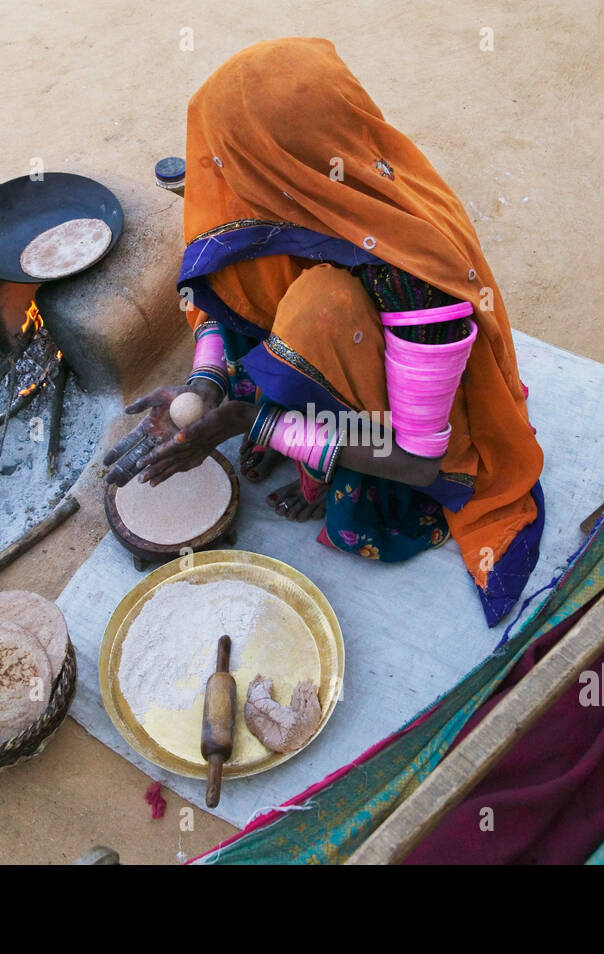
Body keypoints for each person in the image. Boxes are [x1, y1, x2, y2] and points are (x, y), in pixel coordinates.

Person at [105, 38, 544, 625]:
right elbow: (221, 296)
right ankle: (292, 409)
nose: (217, 171)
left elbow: (419, 463)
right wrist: (207, 383)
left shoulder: (419, 286)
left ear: (276, 162)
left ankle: (326, 466)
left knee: (322, 306)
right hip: (345, 341)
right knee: (257, 268)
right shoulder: (294, 186)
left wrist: (254, 420)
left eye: (229, 156)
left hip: (405, 427)